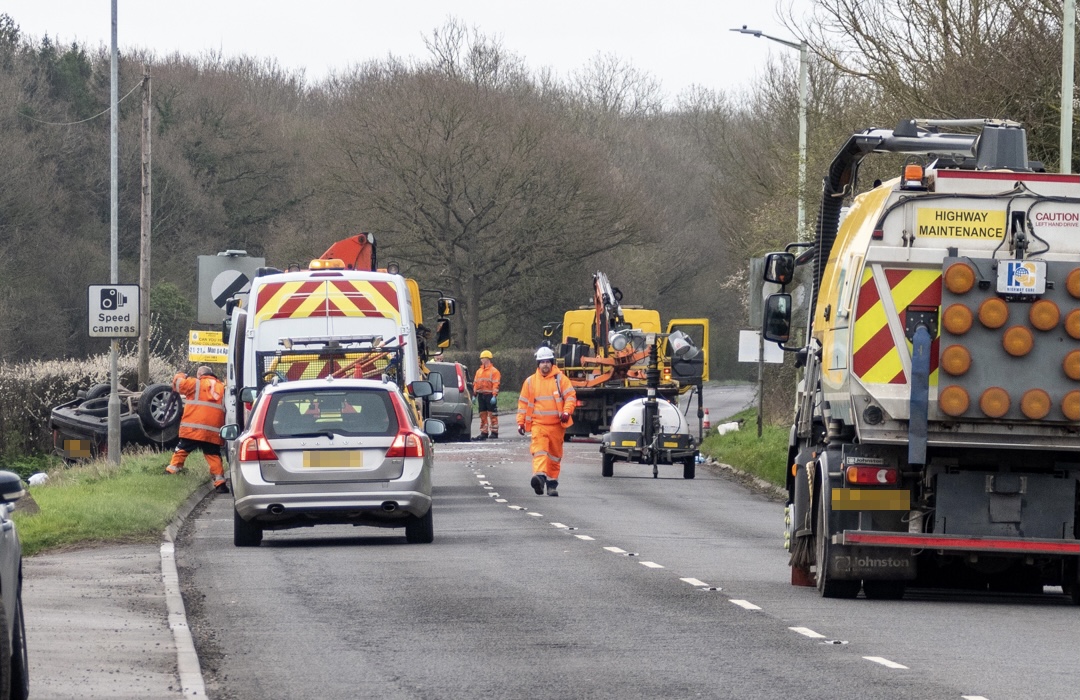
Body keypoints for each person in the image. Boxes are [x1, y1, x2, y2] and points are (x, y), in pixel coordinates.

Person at [517, 346, 577, 497]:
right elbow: (523, 404)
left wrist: (566, 411)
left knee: (555, 456)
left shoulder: (560, 379)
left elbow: (570, 397)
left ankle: (551, 484)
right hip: (538, 424)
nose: (545, 365)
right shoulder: (530, 382)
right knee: (540, 452)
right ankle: (540, 477)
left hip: (557, 425)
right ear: (538, 364)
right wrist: (521, 422)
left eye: (547, 362)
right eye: (542, 362)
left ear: (552, 363)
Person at [165, 365, 229, 493]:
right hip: (213, 430)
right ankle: (220, 482)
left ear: (200, 374)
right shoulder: (222, 388)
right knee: (213, 455)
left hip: (193, 428)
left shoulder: (195, 383)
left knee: (182, 449)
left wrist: (181, 375)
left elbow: (177, 384)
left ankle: (170, 472)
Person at [473, 349, 502, 440]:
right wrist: (474, 395)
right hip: (481, 395)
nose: (481, 360)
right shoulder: (479, 371)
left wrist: (494, 395)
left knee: (492, 414)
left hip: (490, 395)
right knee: (482, 415)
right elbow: (476, 383)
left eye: (483, 358)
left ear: (487, 359)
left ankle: (494, 432)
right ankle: (484, 432)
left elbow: (496, 384)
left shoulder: (494, 371)